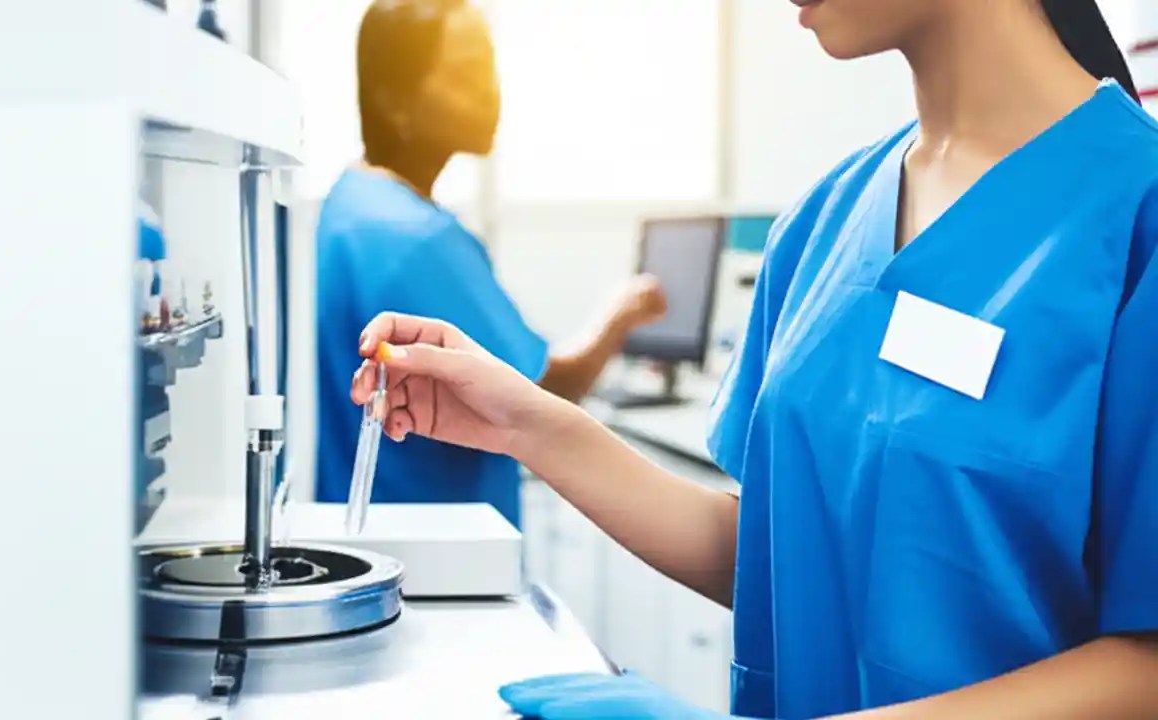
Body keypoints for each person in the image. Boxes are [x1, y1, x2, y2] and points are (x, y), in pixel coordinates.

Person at [351, 0, 1158, 717]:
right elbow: (775, 555)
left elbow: (1145, 669)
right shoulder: (819, 224)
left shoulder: (1134, 213)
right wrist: (523, 423)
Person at [314, 0, 667, 528]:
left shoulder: (350, 203)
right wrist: (620, 313)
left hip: (375, 528)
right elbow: (544, 395)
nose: (491, 92)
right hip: (441, 542)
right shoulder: (417, 238)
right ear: (394, 98)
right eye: (467, 72)